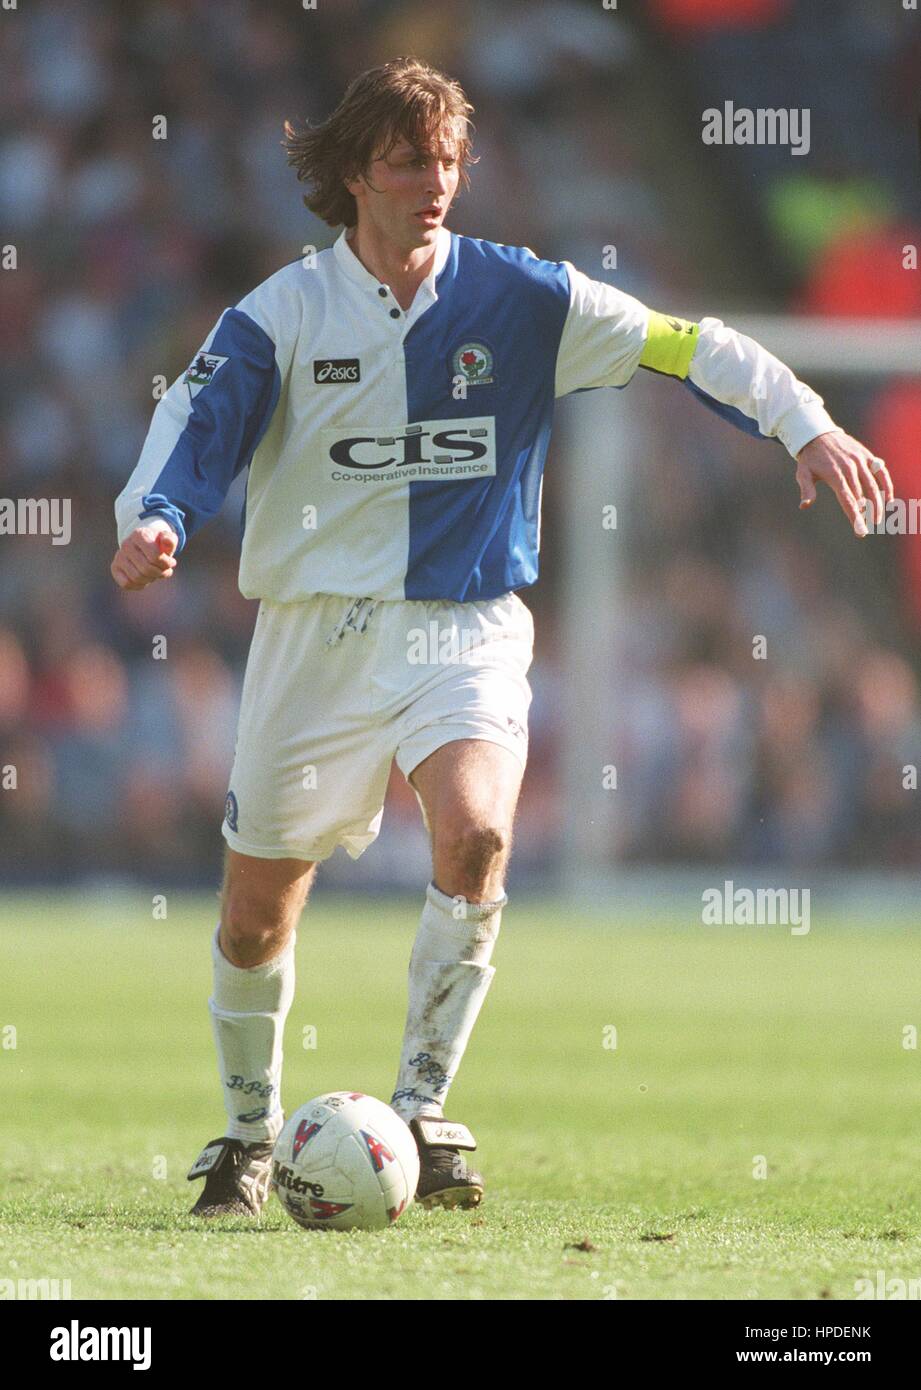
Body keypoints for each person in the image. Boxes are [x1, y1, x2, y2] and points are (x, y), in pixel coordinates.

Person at [111, 56, 893, 1219]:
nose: (435, 181)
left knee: (478, 836)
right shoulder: (279, 314)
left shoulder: (524, 297)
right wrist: (155, 522)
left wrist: (804, 423)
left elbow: (689, 345)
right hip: (317, 635)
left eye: (450, 161)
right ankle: (244, 1135)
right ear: (354, 175)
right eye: (408, 160)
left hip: (464, 624)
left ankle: (421, 1109)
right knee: (255, 908)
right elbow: (193, 427)